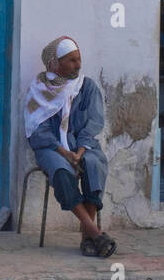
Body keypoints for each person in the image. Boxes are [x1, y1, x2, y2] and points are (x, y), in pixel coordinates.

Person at [25, 35, 115, 257]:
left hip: (83, 146)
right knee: (61, 172)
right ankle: (94, 232)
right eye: (72, 60)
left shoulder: (86, 87)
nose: (78, 65)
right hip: (51, 148)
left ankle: (88, 238)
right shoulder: (39, 88)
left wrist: (81, 150)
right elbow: (38, 129)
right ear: (56, 63)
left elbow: (94, 122)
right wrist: (64, 152)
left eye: (79, 59)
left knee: (95, 165)